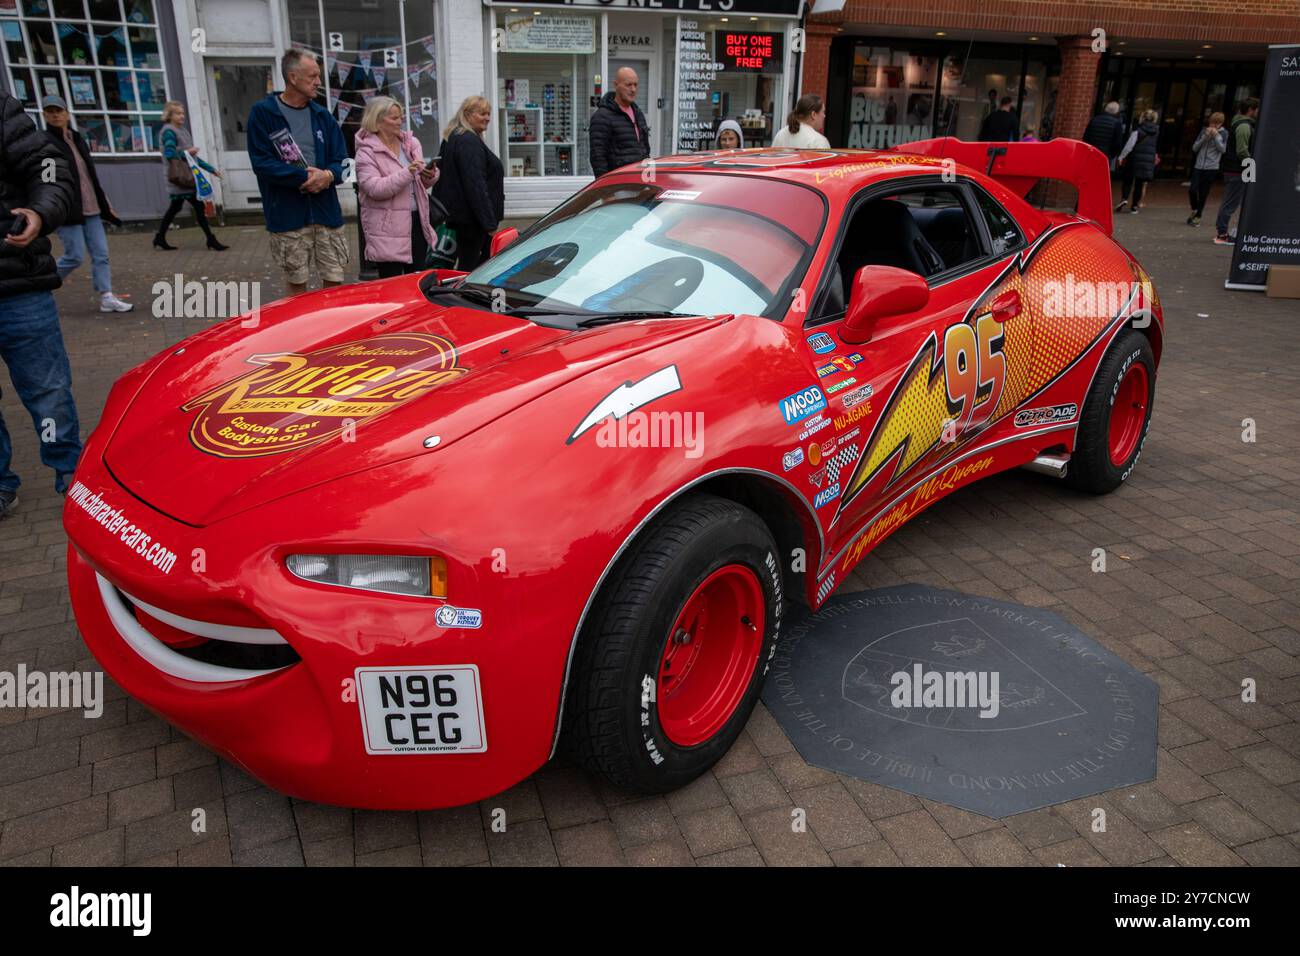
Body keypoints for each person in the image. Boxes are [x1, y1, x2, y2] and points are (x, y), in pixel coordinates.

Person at [0, 89, 78, 518]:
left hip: (17, 279)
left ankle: (68, 468)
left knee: (47, 387)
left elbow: (49, 168)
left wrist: (41, 211)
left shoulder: (3, 110)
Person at [247, 49, 349, 294]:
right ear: (293, 77)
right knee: (296, 284)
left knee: (334, 281)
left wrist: (327, 176)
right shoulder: (264, 114)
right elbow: (261, 163)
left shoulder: (323, 116)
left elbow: (343, 162)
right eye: (312, 76)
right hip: (288, 216)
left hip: (326, 214)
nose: (318, 82)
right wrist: (304, 178)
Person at [40, 97, 132, 313]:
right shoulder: (45, 143)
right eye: (50, 111)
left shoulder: (77, 139)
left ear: (67, 114)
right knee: (75, 256)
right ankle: (42, 285)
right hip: (68, 210)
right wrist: (51, 205)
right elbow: (47, 178)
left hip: (91, 206)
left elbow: (90, 175)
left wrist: (105, 203)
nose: (55, 115)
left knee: (101, 253)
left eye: (59, 111)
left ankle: (106, 296)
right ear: (44, 115)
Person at [355, 97, 439, 279]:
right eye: (394, 118)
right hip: (387, 227)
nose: (400, 121)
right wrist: (407, 173)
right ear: (376, 120)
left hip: (416, 220)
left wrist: (429, 175)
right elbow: (374, 188)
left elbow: (419, 184)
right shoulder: (366, 151)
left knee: (417, 279)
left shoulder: (411, 143)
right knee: (391, 283)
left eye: (401, 117)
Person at [431, 96, 503, 271]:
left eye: (488, 113)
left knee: (469, 263)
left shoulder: (454, 136)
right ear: (467, 114)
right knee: (473, 267)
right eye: (482, 113)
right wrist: (489, 224)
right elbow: (475, 185)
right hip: (474, 220)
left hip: (464, 217)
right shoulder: (468, 141)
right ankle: (464, 296)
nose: (487, 117)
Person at [153, 100, 228, 252]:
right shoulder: (169, 131)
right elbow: (170, 154)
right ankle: (211, 240)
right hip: (180, 178)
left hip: (187, 177)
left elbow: (192, 159)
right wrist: (188, 152)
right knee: (198, 207)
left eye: (183, 113)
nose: (182, 116)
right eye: (178, 113)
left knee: (175, 208)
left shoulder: (183, 130)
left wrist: (210, 169)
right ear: (170, 115)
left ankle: (160, 237)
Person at [1213, 97, 1260, 245]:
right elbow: (1242, 151)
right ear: (1251, 109)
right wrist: (1252, 165)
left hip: (1237, 169)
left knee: (1232, 201)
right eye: (1257, 109)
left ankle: (1224, 232)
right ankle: (1222, 234)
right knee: (1231, 202)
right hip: (1238, 170)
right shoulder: (1244, 126)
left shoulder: (1241, 124)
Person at [588, 67, 651, 176]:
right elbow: (598, 158)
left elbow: (645, 150)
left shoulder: (638, 113)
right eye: (628, 85)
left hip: (640, 181)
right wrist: (607, 188)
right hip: (617, 185)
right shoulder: (602, 117)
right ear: (616, 85)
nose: (633, 89)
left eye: (635, 85)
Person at [1115, 110, 1159, 213]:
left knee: (1128, 180)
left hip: (1134, 158)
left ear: (1143, 117)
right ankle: (1134, 206)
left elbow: (1129, 146)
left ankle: (1124, 198)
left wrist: (1121, 157)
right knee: (1140, 183)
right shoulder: (1156, 131)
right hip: (1147, 159)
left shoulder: (1138, 130)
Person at [1187, 112, 1227, 226]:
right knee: (1192, 189)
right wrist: (1205, 137)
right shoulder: (1203, 131)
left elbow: (1222, 149)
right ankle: (1194, 209)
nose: (1213, 126)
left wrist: (1215, 137)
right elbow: (1195, 148)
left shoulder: (1224, 133)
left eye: (1216, 124)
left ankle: (1198, 216)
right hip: (1198, 166)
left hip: (1211, 167)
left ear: (1220, 124)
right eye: (1211, 123)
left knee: (1203, 192)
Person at [1082, 101, 1126, 170]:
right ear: (1116, 111)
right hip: (1105, 155)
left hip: (1091, 153)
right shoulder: (1117, 124)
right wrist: (1111, 155)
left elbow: (1085, 138)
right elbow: (1117, 144)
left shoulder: (1094, 120)